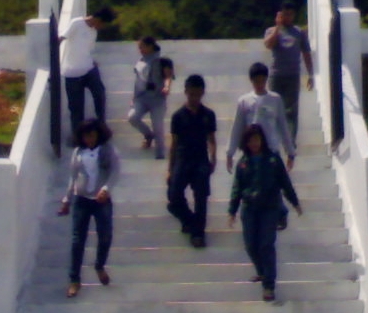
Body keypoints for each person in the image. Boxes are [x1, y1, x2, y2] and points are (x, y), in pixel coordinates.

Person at [227, 124, 301, 302]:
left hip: (269, 207)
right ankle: (262, 272)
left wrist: (295, 202)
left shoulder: (273, 160)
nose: (254, 143)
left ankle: (269, 285)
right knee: (251, 245)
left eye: (257, 139)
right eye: (251, 140)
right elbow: (237, 188)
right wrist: (232, 211)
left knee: (266, 245)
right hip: (249, 208)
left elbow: (285, 182)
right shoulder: (243, 163)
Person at [58, 118, 118, 298]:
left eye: (92, 135)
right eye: (86, 136)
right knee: (78, 240)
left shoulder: (107, 150)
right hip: (81, 199)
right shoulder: (78, 152)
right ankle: (74, 280)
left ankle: (99, 265)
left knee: (105, 234)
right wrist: (67, 199)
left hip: (101, 199)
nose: (89, 140)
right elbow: (73, 177)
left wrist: (106, 189)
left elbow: (115, 171)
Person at [165, 73, 218, 248]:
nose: (194, 97)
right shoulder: (178, 116)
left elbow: (211, 138)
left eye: (197, 94)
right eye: (191, 93)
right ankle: (190, 220)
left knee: (201, 197)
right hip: (182, 158)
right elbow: (174, 143)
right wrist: (170, 168)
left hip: (200, 159)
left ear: (202, 93)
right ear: (185, 92)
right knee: (173, 197)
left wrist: (213, 156)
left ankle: (198, 234)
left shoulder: (208, 114)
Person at [59, 6, 116, 144]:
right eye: (102, 24)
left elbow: (87, 50)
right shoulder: (77, 23)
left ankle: (101, 127)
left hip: (89, 69)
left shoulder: (93, 32)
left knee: (99, 94)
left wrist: (92, 61)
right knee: (76, 108)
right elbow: (61, 38)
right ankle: (78, 137)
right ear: (98, 19)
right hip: (72, 72)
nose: (101, 27)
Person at [227, 61, 294, 172]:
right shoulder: (244, 101)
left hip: (271, 150)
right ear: (251, 81)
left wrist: (290, 152)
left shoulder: (275, 99)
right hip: (252, 152)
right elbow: (237, 128)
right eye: (256, 81)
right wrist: (230, 153)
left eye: (262, 81)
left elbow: (283, 127)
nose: (259, 84)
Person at [263, 0, 314, 139]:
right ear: (280, 14)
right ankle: (273, 139)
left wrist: (311, 74)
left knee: (292, 110)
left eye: (291, 15)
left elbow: (306, 53)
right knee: (273, 107)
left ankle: (291, 140)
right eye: (285, 14)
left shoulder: (299, 32)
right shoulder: (271, 31)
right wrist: (278, 27)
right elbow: (268, 44)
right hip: (276, 75)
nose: (288, 17)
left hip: (292, 75)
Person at [126, 36, 174, 158]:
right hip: (141, 97)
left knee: (158, 126)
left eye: (142, 47)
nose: (140, 50)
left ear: (150, 46)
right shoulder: (140, 61)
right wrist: (134, 96)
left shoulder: (163, 60)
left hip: (157, 98)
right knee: (133, 117)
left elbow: (168, 76)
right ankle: (148, 134)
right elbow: (138, 81)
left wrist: (167, 87)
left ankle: (160, 153)